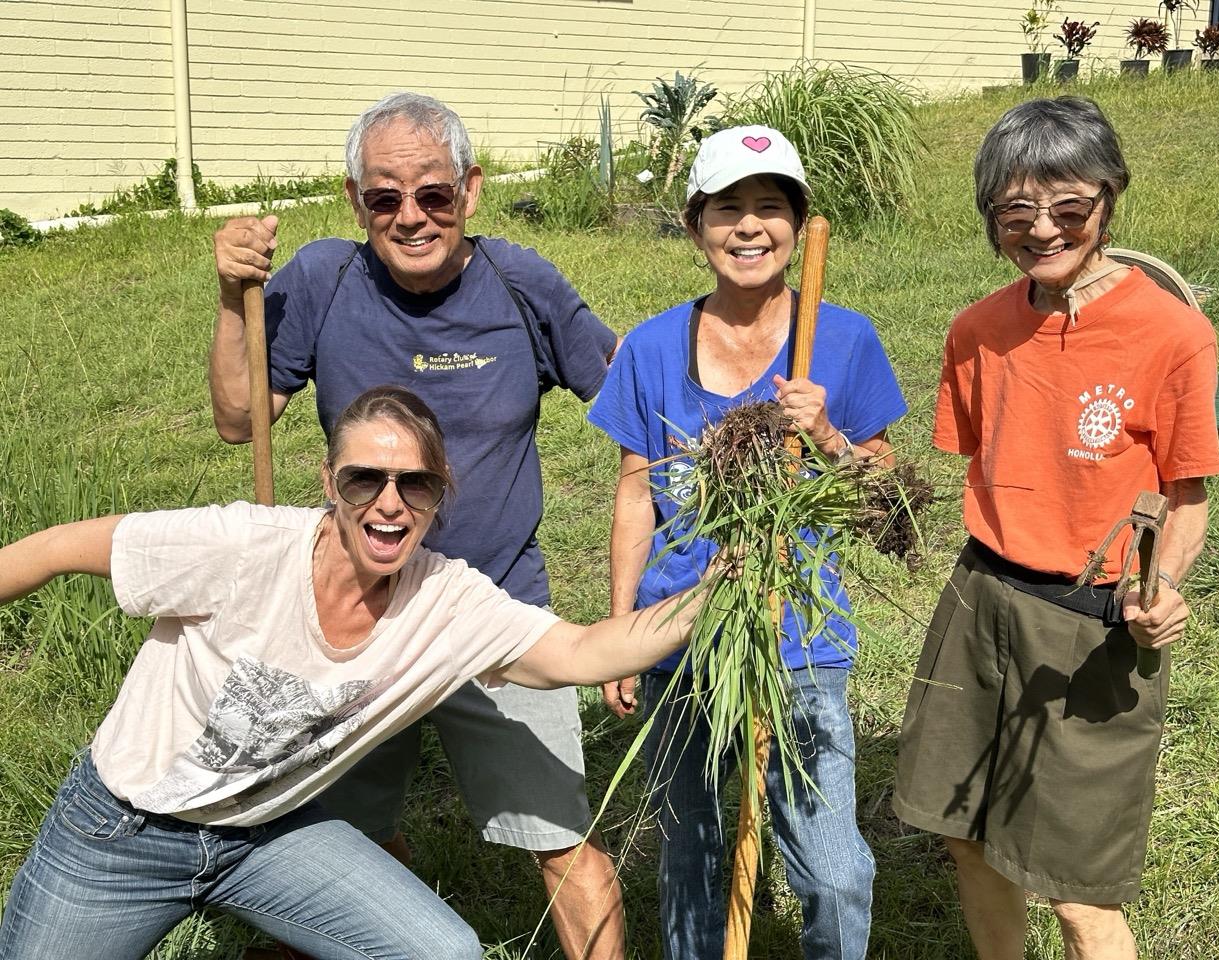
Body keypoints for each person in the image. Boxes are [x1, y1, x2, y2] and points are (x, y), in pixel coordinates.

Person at [0, 386, 724, 960]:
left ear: (441, 492)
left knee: (441, 952)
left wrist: (719, 589)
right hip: (124, 832)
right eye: (363, 479)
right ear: (328, 480)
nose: (389, 503)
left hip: (266, 834)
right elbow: (56, 547)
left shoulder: (446, 600)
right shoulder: (243, 546)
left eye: (416, 484)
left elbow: (581, 652)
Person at [210, 92, 623, 958]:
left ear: (470, 189)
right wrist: (228, 296)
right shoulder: (322, 280)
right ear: (354, 200)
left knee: (566, 849)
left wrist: (738, 409)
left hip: (493, 609)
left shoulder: (521, 284)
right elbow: (241, 420)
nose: (410, 216)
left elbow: (631, 394)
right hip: (354, 614)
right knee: (331, 853)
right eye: (384, 197)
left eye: (433, 193)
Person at [891, 97, 1219, 960]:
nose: (1042, 230)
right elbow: (983, 458)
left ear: (1109, 200)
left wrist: (1162, 588)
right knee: (965, 837)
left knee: (1077, 894)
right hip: (980, 597)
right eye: (1015, 211)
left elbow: (1187, 495)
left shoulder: (1173, 333)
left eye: (1068, 207)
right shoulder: (977, 330)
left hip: (1093, 624)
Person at [587, 126, 908, 959]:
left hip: (800, 638)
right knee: (691, 852)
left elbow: (891, 513)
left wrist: (829, 435)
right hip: (677, 633)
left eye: (771, 206)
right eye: (727, 208)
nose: (750, 227)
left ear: (798, 225)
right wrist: (621, 632)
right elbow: (636, 495)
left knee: (836, 875)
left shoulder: (842, 340)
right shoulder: (652, 346)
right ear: (695, 226)